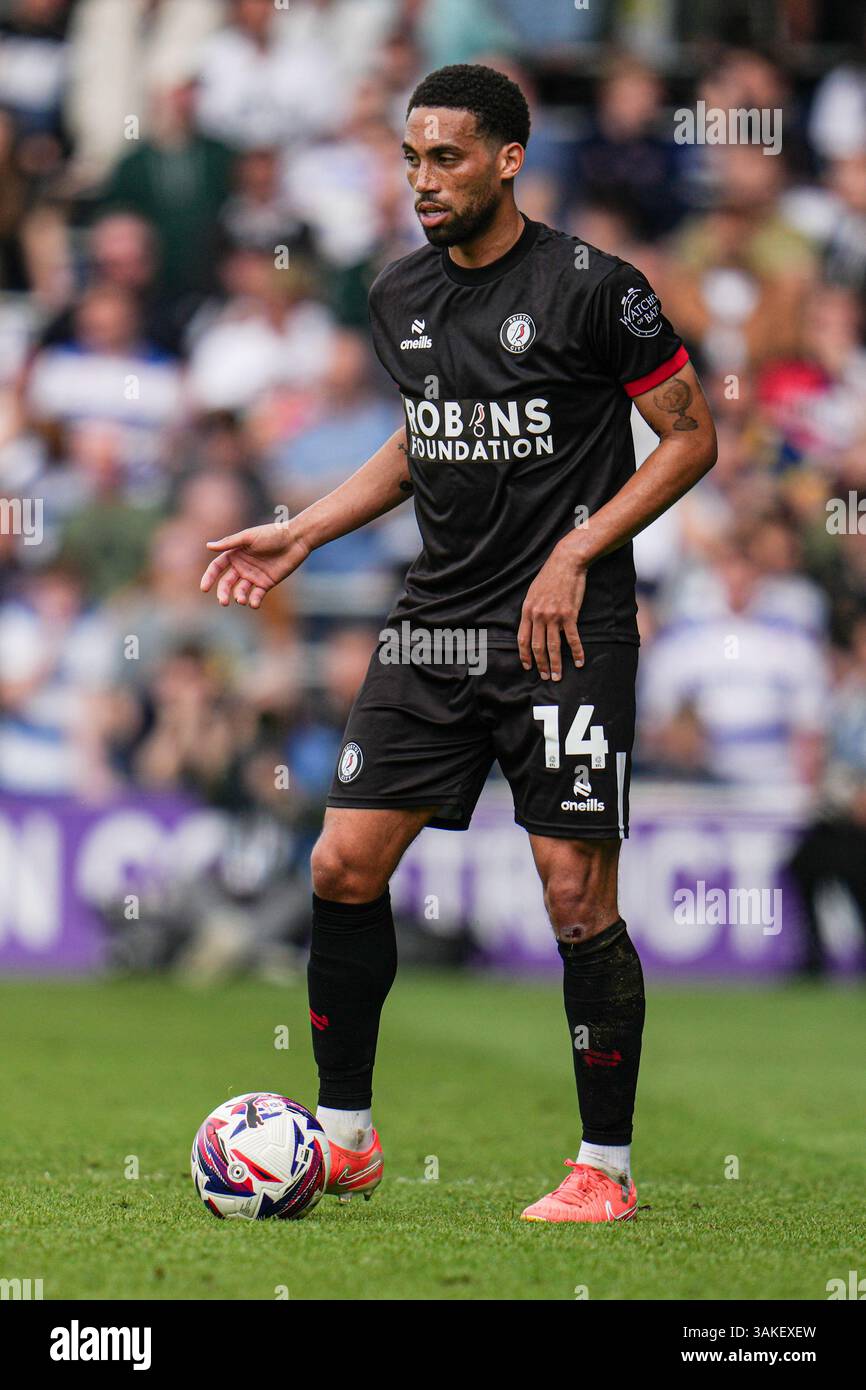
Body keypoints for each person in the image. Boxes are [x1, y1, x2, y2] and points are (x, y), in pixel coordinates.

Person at [200, 64, 717, 1223]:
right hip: (434, 625)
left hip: (563, 632)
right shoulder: (397, 295)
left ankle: (604, 1169)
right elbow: (423, 433)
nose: (421, 180)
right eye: (409, 157)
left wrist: (578, 548)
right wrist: (303, 529)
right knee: (339, 865)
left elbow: (689, 441)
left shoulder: (596, 290)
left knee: (573, 893)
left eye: (445, 158)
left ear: (506, 160)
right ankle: (344, 1137)